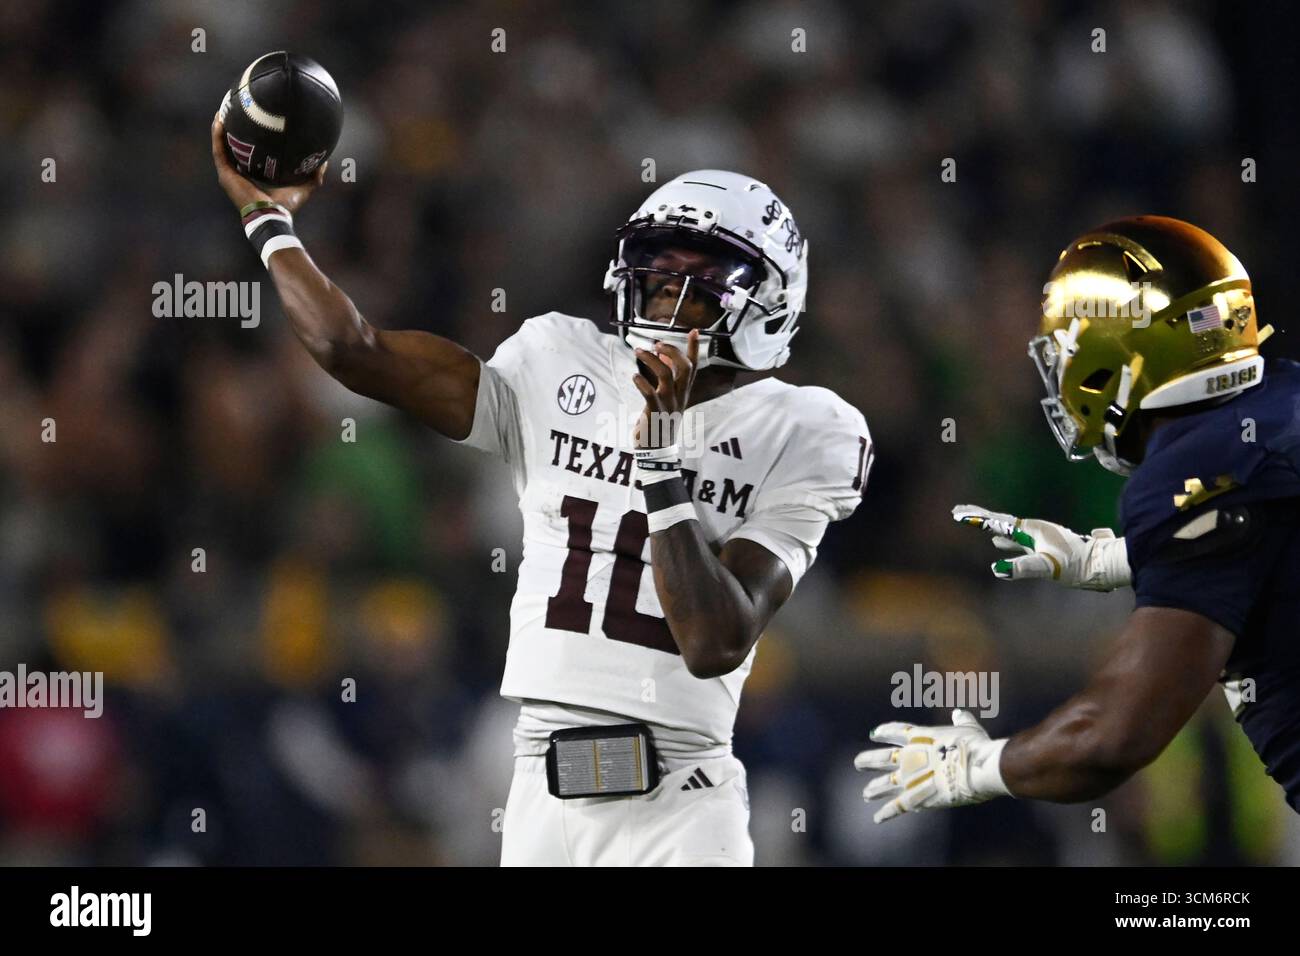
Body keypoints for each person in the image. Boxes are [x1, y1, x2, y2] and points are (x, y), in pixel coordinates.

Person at [211, 118, 872, 865]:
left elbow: (715, 639)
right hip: (538, 794)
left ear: (769, 305)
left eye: (698, 283)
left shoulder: (806, 428)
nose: (663, 298)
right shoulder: (561, 361)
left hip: (678, 806)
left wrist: (658, 466)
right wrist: (268, 219)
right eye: (656, 272)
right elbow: (351, 348)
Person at [856, 216, 1300, 822]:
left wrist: (977, 767)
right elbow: (1258, 533)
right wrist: (1107, 558)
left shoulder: (1188, 470)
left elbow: (1112, 738)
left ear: (1111, 360)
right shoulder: (1281, 399)